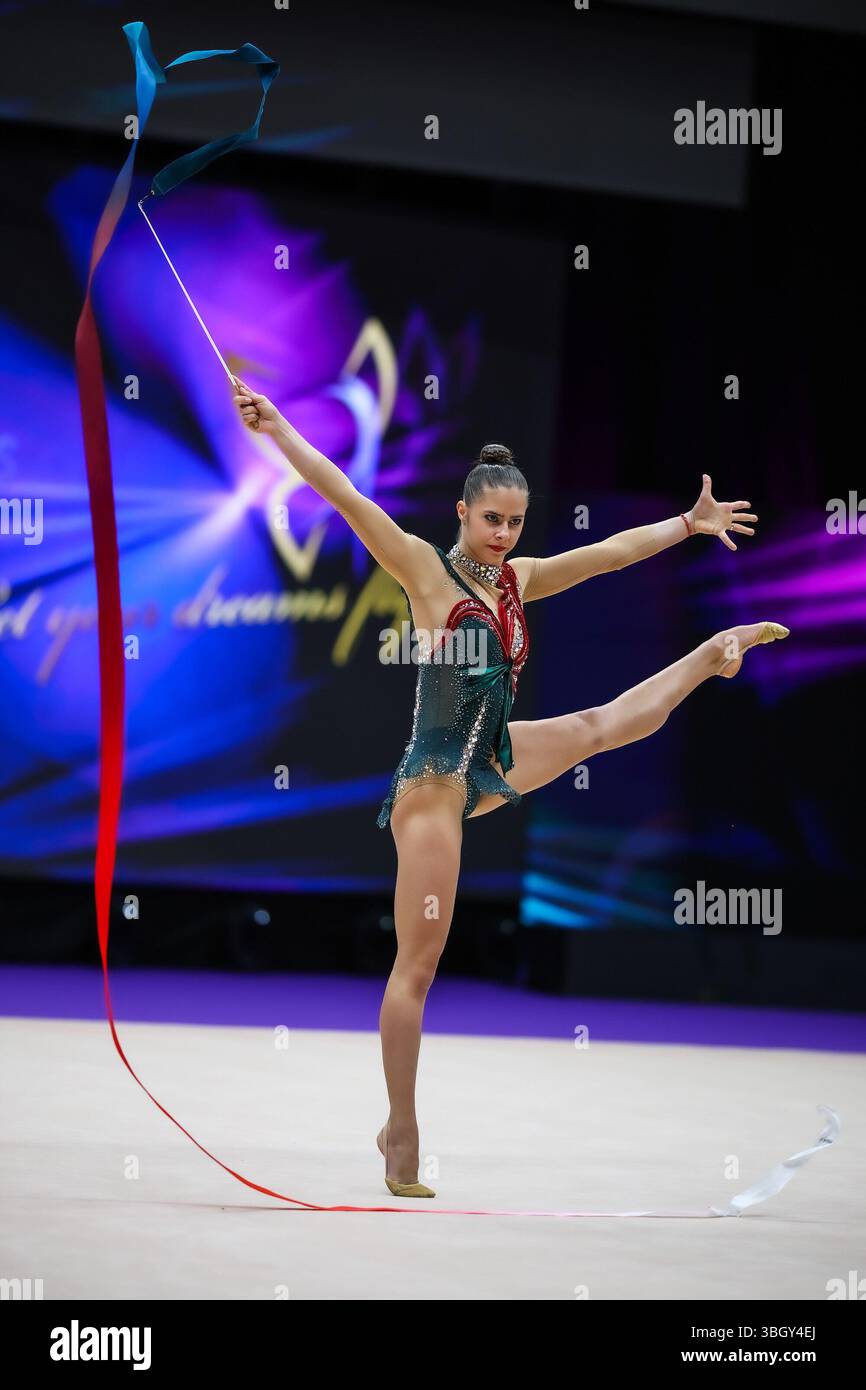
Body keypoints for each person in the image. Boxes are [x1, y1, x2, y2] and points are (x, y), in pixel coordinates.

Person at [231, 376, 789, 1199]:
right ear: (462, 513)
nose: (503, 534)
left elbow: (607, 556)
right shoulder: (424, 571)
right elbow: (343, 493)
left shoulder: (518, 580)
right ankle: (401, 1129)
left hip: (488, 756)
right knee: (416, 967)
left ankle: (712, 653)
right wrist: (276, 427)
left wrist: (688, 524)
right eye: (491, 519)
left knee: (605, 724)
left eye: (515, 522)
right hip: (431, 788)